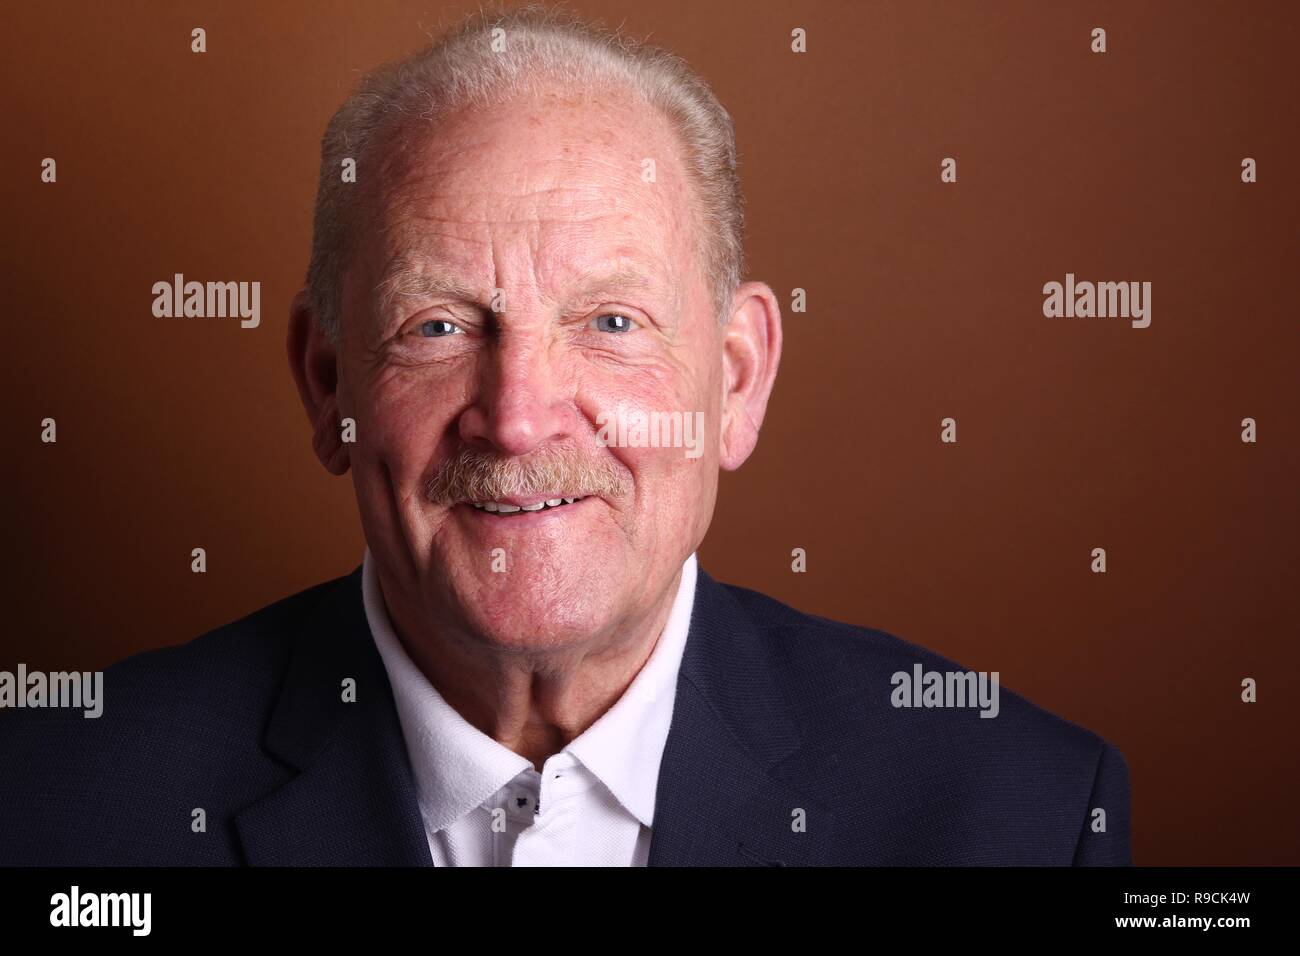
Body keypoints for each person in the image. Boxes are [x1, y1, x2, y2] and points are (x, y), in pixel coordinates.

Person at [0, 4, 1129, 866]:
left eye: (610, 321)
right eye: (437, 324)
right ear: (327, 379)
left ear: (735, 380)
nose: (520, 413)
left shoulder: (1014, 810)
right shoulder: (55, 802)